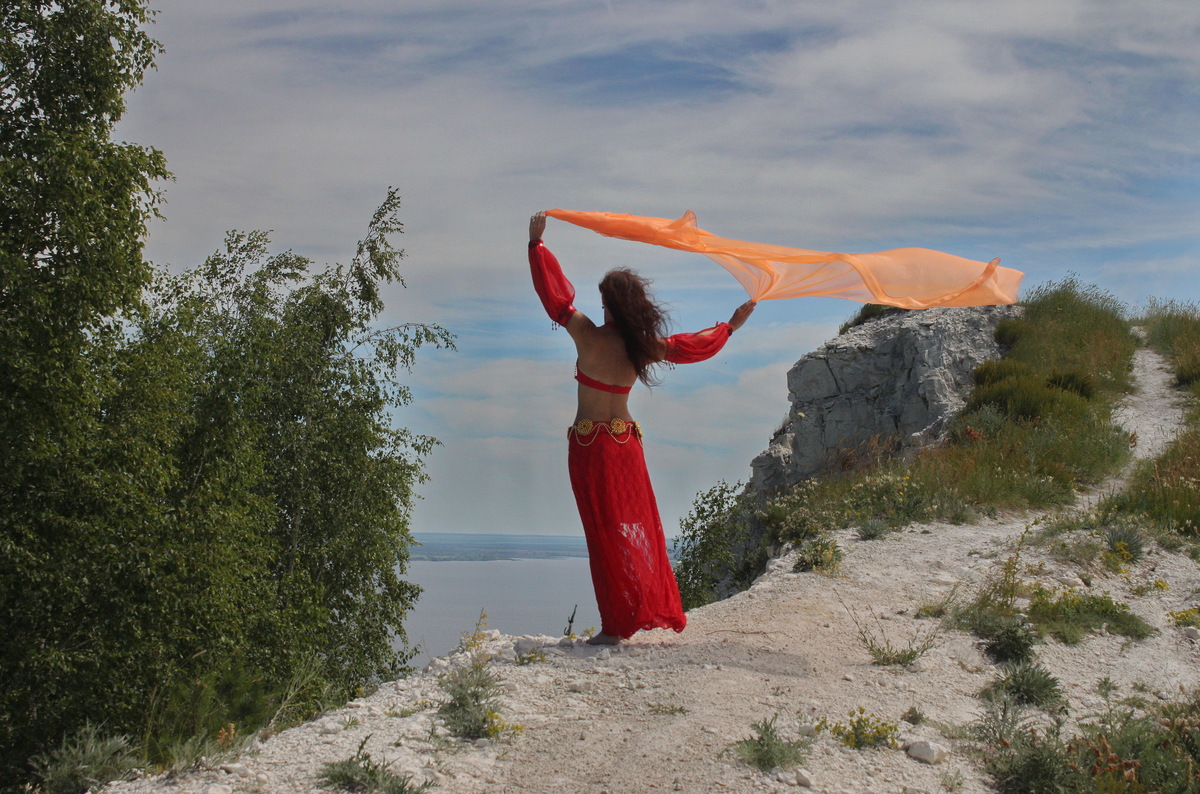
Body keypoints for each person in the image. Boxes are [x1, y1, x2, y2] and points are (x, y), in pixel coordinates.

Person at [528, 211, 756, 645]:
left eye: (603, 302)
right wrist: (730, 326)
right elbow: (695, 346)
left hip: (591, 447)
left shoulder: (587, 335)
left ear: (610, 305)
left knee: (603, 532)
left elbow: (553, 298)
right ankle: (643, 608)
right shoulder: (645, 346)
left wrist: (536, 246)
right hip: (626, 445)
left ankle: (616, 624)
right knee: (636, 527)